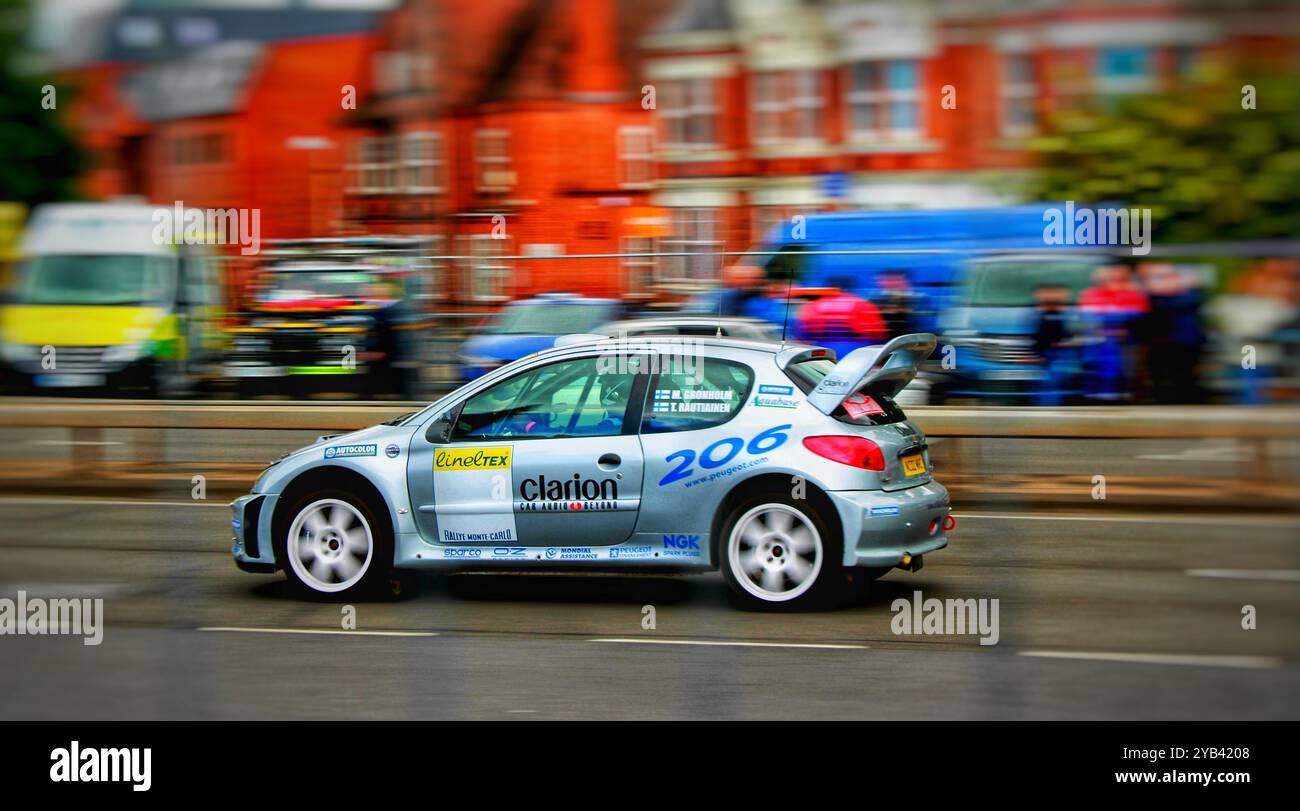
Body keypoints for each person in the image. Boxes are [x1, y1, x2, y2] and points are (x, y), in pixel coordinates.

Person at [1078, 264, 1149, 402]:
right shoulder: (1091, 293)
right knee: (1099, 368)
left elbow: (1139, 314)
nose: (1114, 281)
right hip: (1099, 342)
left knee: (1126, 370)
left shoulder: (1133, 294)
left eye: (1119, 278)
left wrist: (1109, 314)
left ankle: (1122, 396)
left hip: (1127, 343)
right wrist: (1117, 314)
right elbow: (1087, 315)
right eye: (1111, 278)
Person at [1140, 263, 1206, 403]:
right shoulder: (1151, 299)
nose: (1163, 282)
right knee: (1161, 380)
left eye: (1167, 277)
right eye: (1158, 278)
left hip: (1183, 345)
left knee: (1183, 379)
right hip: (1160, 346)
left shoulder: (1188, 297)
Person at [1029, 284, 1074, 406]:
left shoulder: (1051, 315)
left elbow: (1038, 336)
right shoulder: (1046, 315)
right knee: (1050, 383)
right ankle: (1048, 407)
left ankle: (1049, 407)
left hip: (1054, 354)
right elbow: (1040, 336)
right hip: (1051, 354)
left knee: (1051, 382)